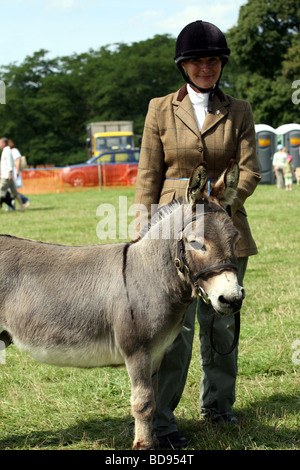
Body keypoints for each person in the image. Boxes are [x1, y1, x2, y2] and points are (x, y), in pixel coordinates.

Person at [134, 20, 261, 449]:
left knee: (222, 327)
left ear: (220, 64)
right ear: (183, 66)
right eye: (196, 61)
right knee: (175, 330)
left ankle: (220, 407)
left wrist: (222, 206)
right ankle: (164, 420)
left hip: (224, 229)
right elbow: (149, 174)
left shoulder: (239, 109)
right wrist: (140, 229)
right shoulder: (159, 108)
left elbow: (250, 171)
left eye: (212, 60)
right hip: (172, 233)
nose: (205, 68)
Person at [0, 137, 25, 211]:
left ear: (4, 143)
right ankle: (21, 206)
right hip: (8, 175)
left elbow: (10, 163)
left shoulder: (7, 151)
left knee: (1, 191)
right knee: (15, 192)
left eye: (0, 143)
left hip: (7, 176)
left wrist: (9, 174)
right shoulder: (6, 151)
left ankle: (12, 205)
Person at [7, 139, 30, 208]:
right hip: (11, 173)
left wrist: (17, 170)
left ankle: (25, 200)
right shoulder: (8, 152)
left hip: (14, 172)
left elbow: (18, 160)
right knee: (11, 190)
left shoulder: (14, 151)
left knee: (11, 190)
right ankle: (11, 206)